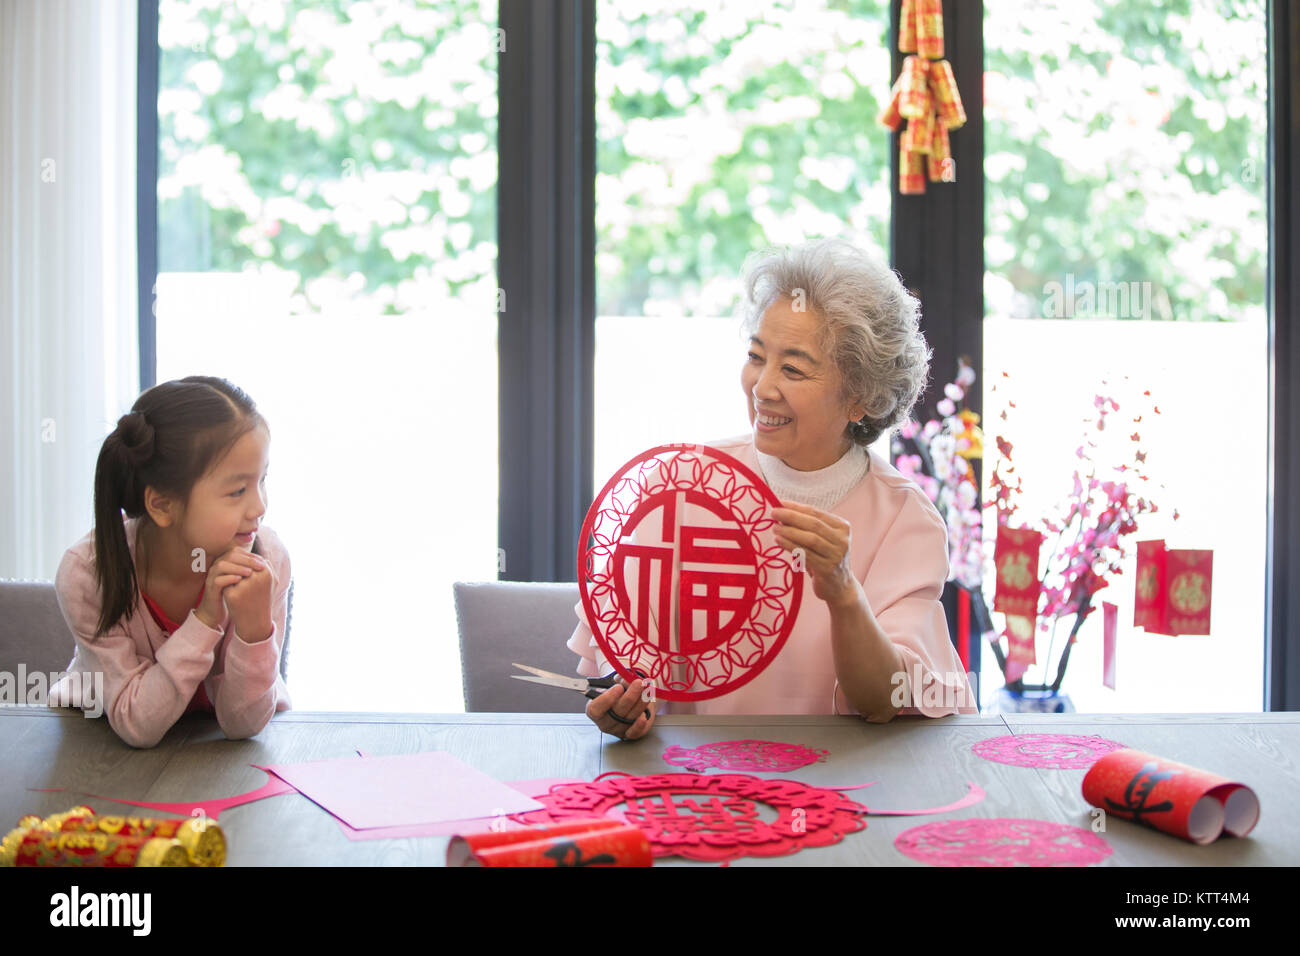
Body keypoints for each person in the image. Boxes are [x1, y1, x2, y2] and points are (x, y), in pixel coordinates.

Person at [571, 239, 978, 739]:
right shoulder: (682, 486)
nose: (762, 387)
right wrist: (624, 707)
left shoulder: (904, 520)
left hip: (843, 789)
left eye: (792, 368)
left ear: (860, 398)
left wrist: (844, 592)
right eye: (756, 356)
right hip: (699, 786)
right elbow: (630, 672)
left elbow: (883, 700)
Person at [50, 376, 292, 748]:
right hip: (95, 747)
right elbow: (137, 725)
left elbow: (243, 724)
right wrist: (206, 619)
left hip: (211, 751)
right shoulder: (87, 574)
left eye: (262, 481)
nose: (260, 507)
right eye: (238, 490)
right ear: (162, 505)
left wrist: (255, 631)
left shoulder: (267, 557)